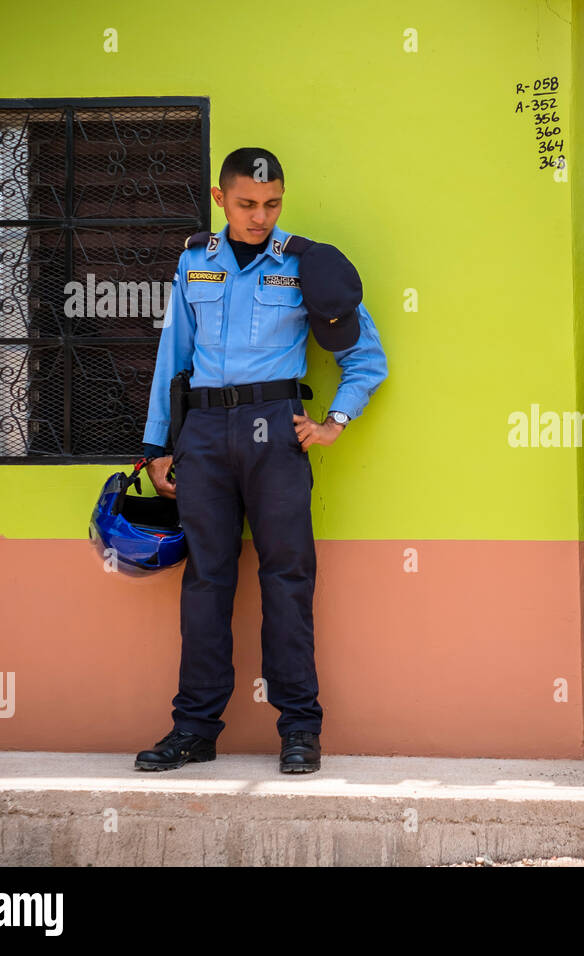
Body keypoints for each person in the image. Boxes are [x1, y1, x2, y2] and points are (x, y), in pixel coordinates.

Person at [133, 147, 388, 774]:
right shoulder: (194, 262)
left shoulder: (307, 265)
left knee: (287, 579)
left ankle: (300, 728)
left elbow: (367, 359)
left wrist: (333, 423)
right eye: (247, 204)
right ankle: (193, 729)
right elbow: (174, 357)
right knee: (206, 583)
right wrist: (160, 445)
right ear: (221, 199)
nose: (260, 216)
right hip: (203, 435)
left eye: (271, 204)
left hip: (274, 432)